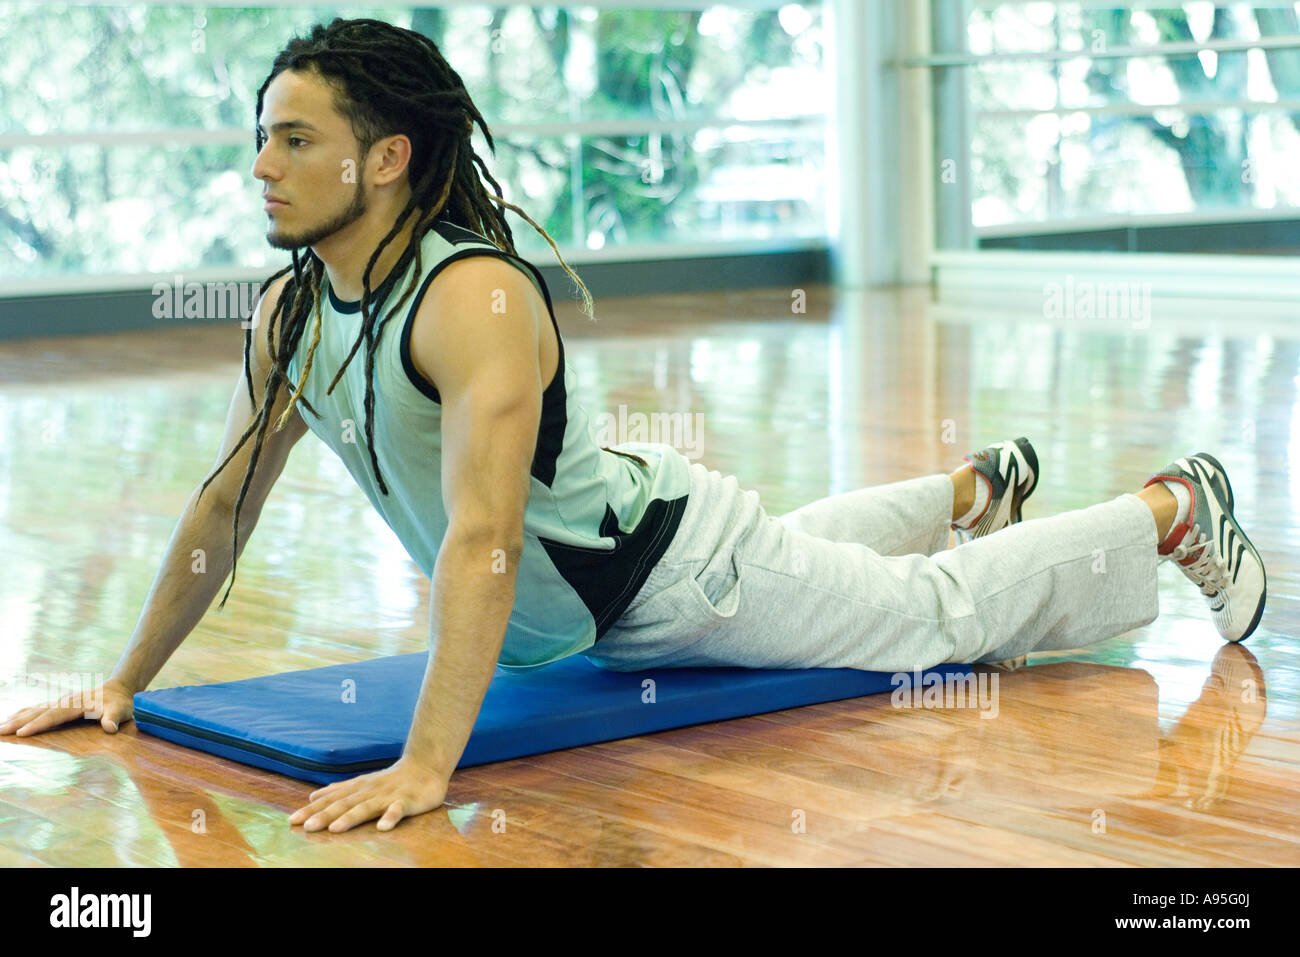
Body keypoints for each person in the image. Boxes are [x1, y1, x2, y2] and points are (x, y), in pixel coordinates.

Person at [0, 18, 1267, 837]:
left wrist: (430, 767)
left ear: (383, 159)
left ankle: (1171, 509)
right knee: (806, 562)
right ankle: (962, 493)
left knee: (926, 626)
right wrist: (122, 683)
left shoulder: (472, 300)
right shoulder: (287, 310)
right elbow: (224, 507)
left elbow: (487, 539)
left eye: (293, 139)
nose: (261, 165)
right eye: (259, 138)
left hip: (665, 584)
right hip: (611, 588)